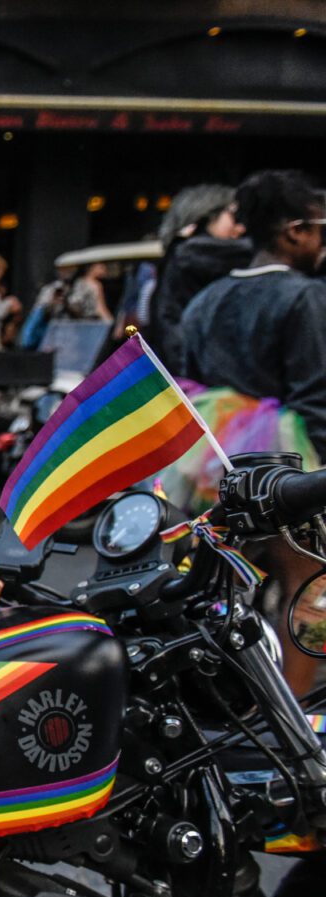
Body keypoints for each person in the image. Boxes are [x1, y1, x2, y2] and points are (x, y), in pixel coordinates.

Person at [179, 169, 326, 694]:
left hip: (209, 468)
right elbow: (316, 398)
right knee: (310, 587)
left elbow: (191, 382)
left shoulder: (205, 299)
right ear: (294, 232)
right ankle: (297, 716)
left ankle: (218, 704)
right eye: (320, 230)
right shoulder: (306, 298)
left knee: (214, 590)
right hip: (286, 468)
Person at [148, 184, 251, 376]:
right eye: (234, 217)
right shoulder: (193, 256)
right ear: (203, 218)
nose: (241, 228)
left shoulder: (175, 259)